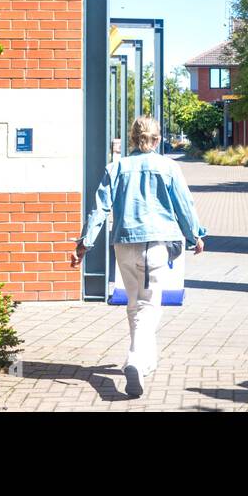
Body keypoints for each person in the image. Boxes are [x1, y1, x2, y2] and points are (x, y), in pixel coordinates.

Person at [72, 115, 206, 398]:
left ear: (132, 139)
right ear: (157, 139)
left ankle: (145, 362)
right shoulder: (169, 167)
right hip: (155, 244)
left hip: (123, 243)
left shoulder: (116, 167)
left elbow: (100, 209)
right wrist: (195, 235)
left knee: (135, 304)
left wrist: (85, 243)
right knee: (149, 305)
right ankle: (134, 358)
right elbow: (184, 205)